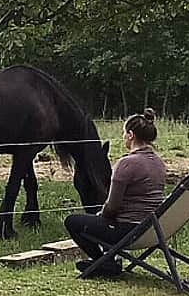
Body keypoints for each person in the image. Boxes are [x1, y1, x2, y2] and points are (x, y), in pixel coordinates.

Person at [64, 108, 167, 277]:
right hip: (152, 228)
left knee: (72, 221)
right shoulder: (159, 162)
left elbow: (112, 207)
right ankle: (105, 262)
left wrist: (100, 215)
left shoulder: (126, 164)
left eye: (124, 133)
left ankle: (103, 262)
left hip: (127, 229)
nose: (123, 137)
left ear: (131, 135)